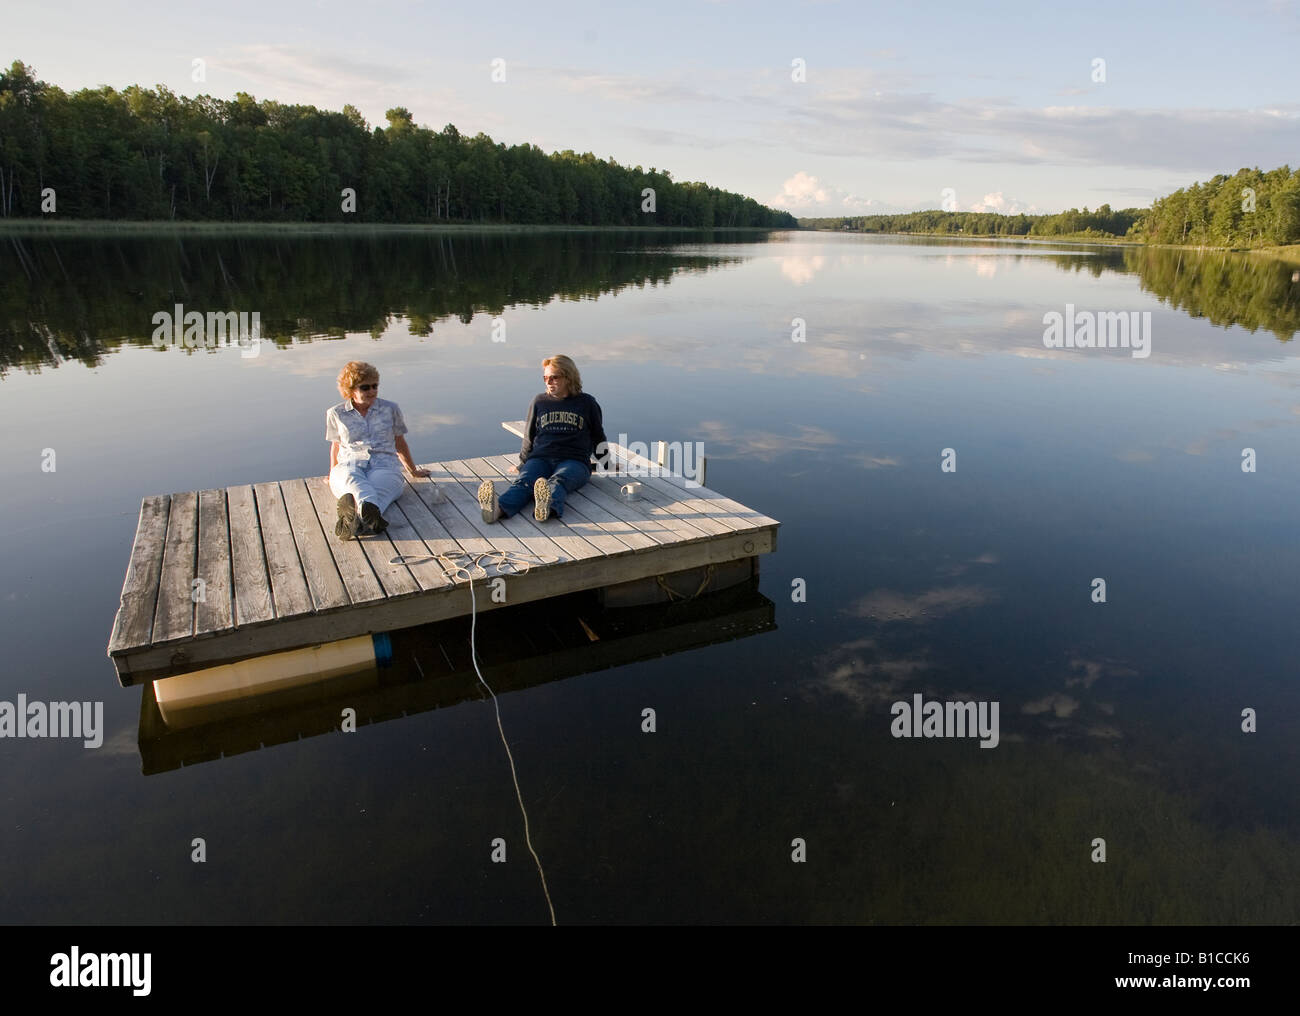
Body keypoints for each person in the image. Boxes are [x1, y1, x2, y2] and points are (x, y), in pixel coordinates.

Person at [478, 354, 607, 524]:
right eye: (545, 378)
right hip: (541, 457)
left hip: (574, 461)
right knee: (524, 482)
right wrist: (522, 463)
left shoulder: (587, 403)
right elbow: (529, 436)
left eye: (554, 377)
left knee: (558, 481)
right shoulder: (540, 401)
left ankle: (546, 508)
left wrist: (605, 463)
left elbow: (598, 435)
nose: (549, 382)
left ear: (568, 377)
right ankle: (497, 511)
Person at [325, 361, 430, 541]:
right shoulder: (336, 413)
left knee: (377, 489)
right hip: (349, 463)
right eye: (365, 387)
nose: (372, 391)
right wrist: (332, 473)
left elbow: (400, 442)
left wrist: (413, 470)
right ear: (350, 390)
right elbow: (336, 445)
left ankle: (354, 519)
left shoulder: (390, 409)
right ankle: (369, 520)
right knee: (351, 480)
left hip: (384, 465)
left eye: (375, 386)